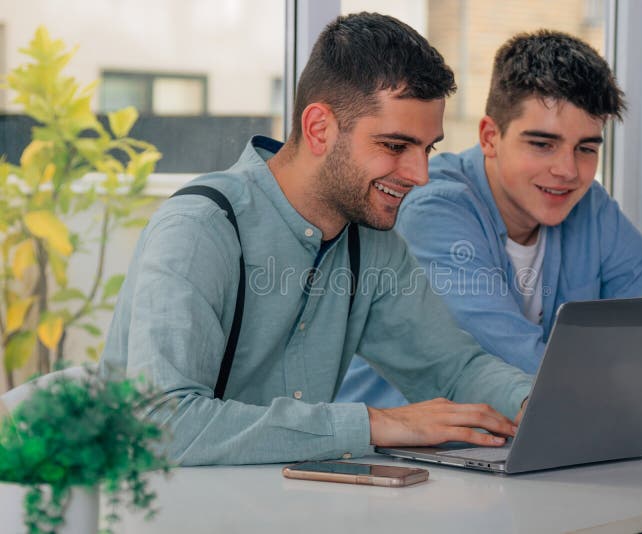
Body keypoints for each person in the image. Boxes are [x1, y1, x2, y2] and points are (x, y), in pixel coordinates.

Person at [101, 12, 533, 466]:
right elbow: (159, 425)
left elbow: (453, 369)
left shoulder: (373, 243)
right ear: (319, 128)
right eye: (394, 146)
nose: (420, 175)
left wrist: (535, 406)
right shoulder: (199, 230)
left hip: (293, 506)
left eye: (427, 149)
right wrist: (373, 424)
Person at [337, 30, 642, 409]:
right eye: (543, 144)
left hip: (527, 450)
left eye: (586, 148)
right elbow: (511, 368)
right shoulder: (435, 209)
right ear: (489, 137)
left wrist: (591, 370)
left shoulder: (591, 210)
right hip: (399, 463)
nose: (568, 171)